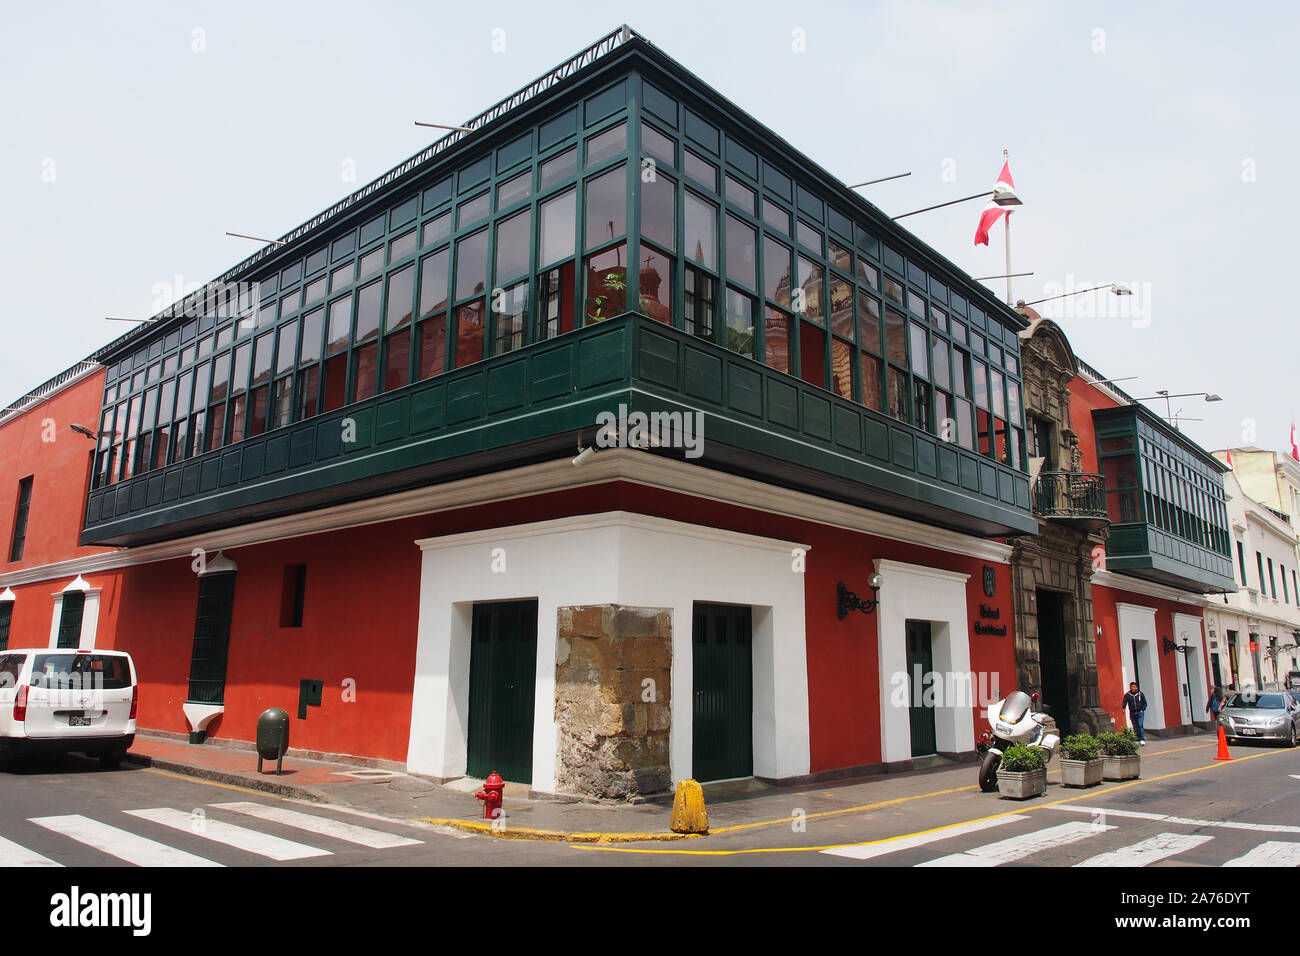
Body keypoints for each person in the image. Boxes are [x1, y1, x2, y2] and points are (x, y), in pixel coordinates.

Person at [1121, 681, 1148, 745]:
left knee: (1140, 725)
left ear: (1136, 687)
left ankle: (1142, 739)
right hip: (1132, 713)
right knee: (1135, 726)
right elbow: (1124, 701)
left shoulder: (1140, 694)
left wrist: (1142, 710)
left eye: (1134, 687)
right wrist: (1123, 708)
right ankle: (1137, 739)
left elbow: (1145, 703)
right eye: (1131, 687)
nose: (1132, 688)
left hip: (1140, 712)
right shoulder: (1127, 695)